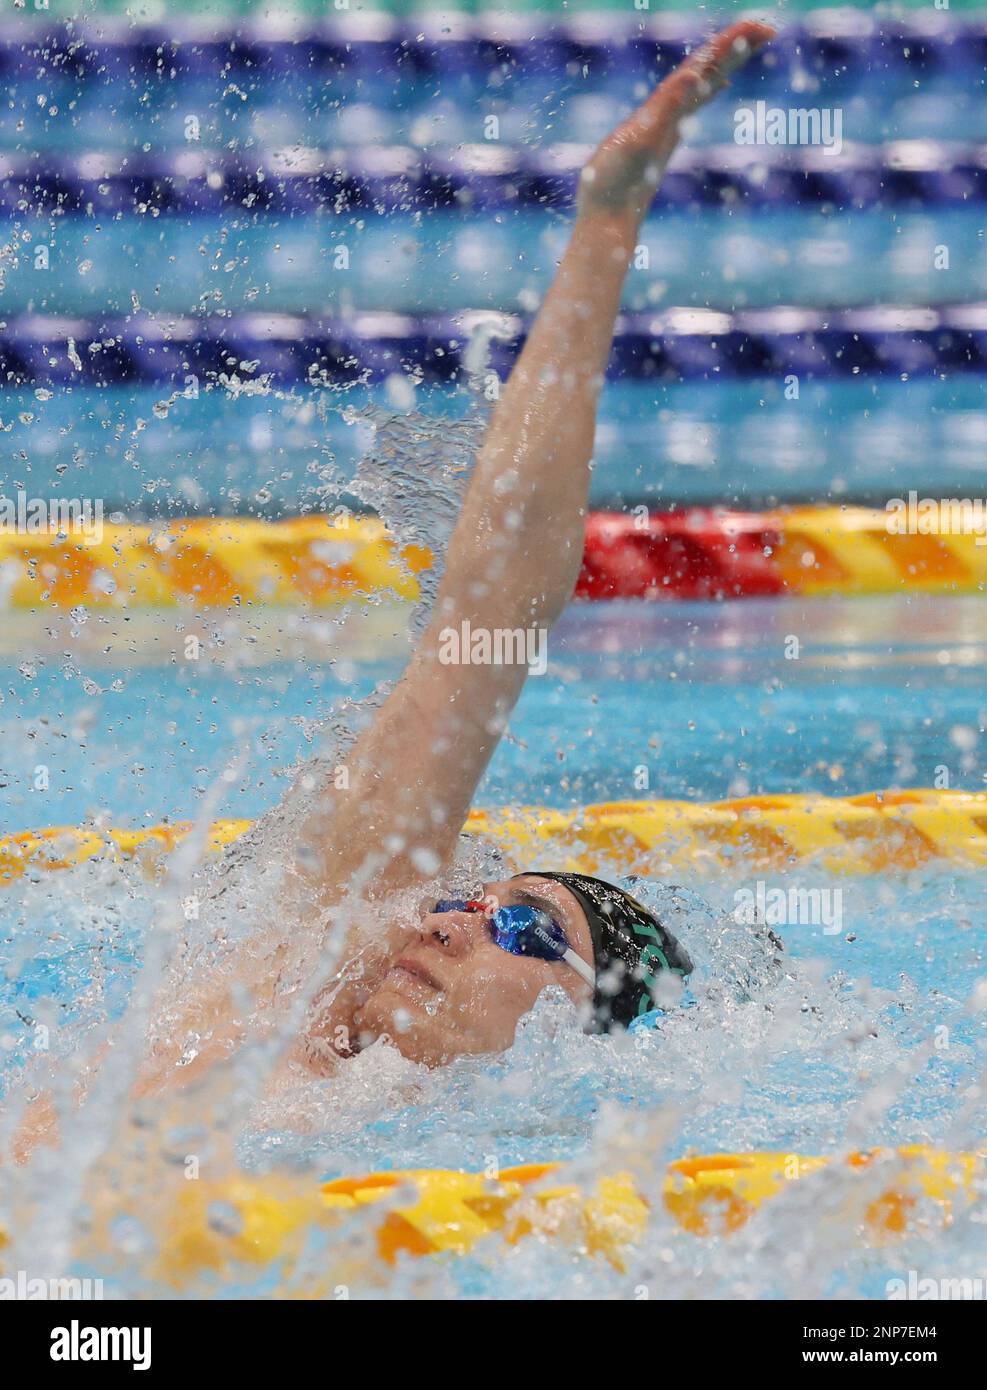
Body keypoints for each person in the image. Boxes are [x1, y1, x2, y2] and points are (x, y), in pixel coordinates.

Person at [14, 22, 774, 1156]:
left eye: (523, 925)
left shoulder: (471, 1181)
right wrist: (607, 222)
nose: (461, 919)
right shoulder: (292, 989)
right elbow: (496, 601)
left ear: (581, 1023)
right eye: (477, 899)